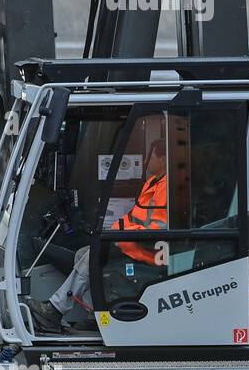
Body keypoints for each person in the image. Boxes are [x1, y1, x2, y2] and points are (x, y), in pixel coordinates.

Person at [33, 139, 169, 332]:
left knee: (92, 257)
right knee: (82, 253)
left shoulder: (166, 188)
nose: (148, 161)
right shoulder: (152, 183)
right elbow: (133, 217)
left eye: (152, 156)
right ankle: (97, 313)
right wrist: (110, 231)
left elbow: (159, 228)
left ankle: (56, 308)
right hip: (128, 243)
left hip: (145, 251)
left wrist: (119, 236)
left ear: (163, 159)